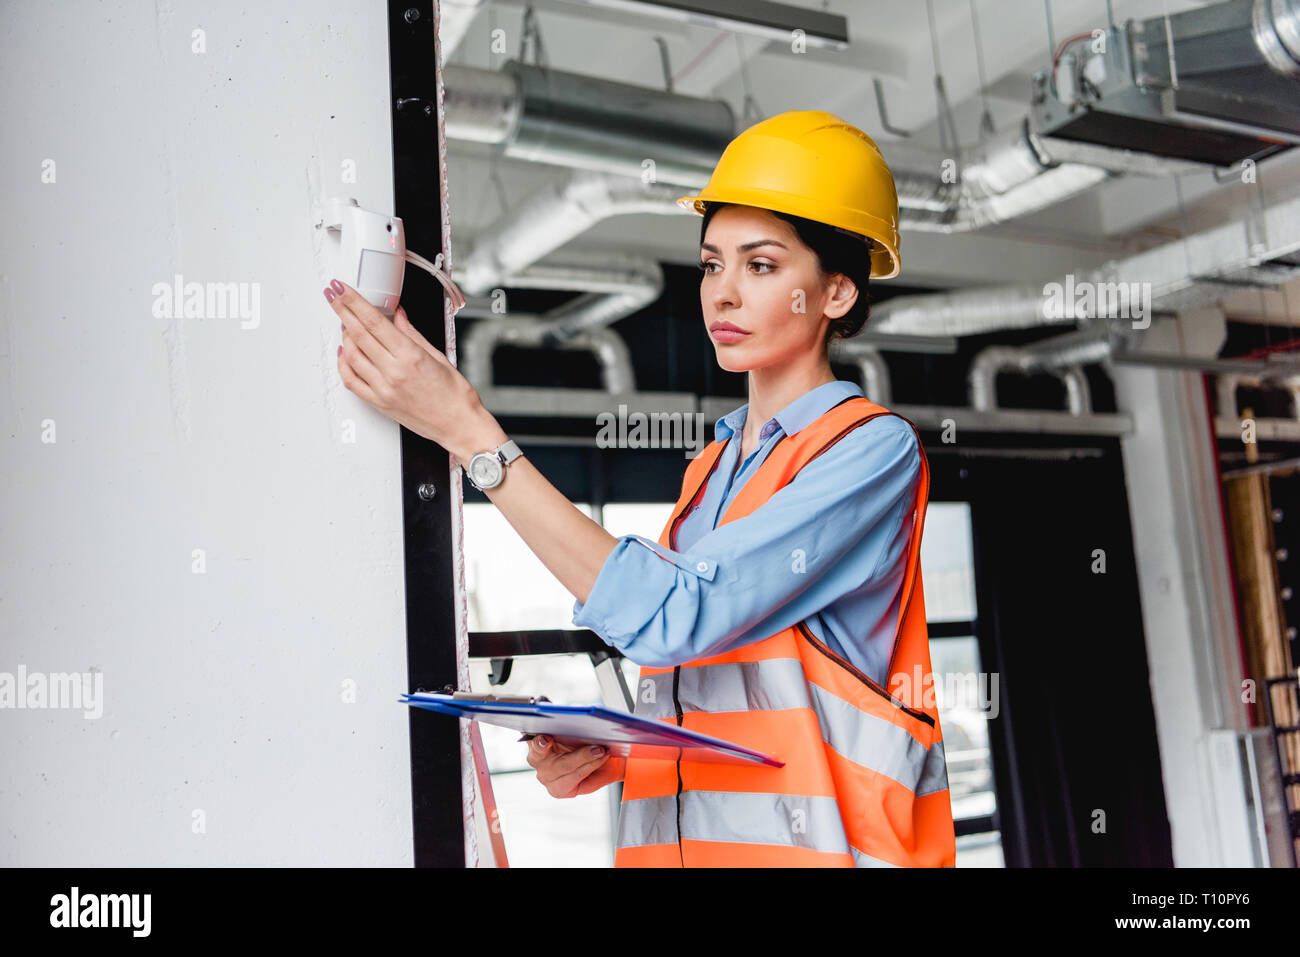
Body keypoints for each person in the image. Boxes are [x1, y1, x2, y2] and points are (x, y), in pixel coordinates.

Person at [324, 109, 956, 867]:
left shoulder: (870, 451)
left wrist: (469, 430)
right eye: (711, 263)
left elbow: (677, 617)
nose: (721, 294)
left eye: (760, 266)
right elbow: (733, 693)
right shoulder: (714, 467)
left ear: (837, 294)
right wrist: (618, 754)